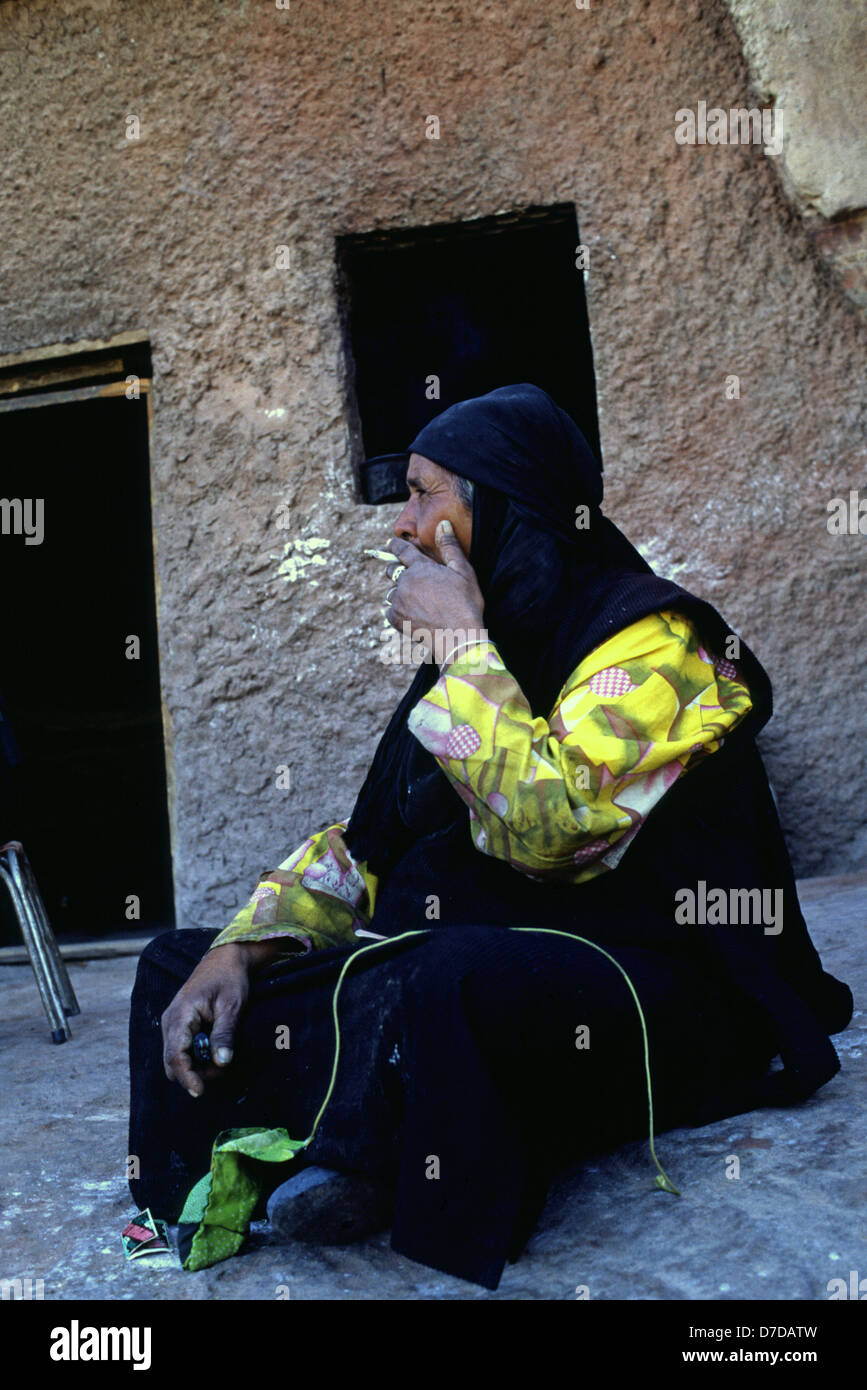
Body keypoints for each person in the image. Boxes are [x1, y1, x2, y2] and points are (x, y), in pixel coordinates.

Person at [128, 384, 852, 1291]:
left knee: (445, 977)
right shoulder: (483, 647)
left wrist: (464, 648)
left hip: (657, 983)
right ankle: (290, 1168)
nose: (401, 525)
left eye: (425, 492)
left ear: (503, 502)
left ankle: (377, 1170)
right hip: (488, 963)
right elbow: (371, 847)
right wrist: (243, 948)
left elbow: (557, 834)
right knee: (177, 965)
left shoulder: (650, 640)